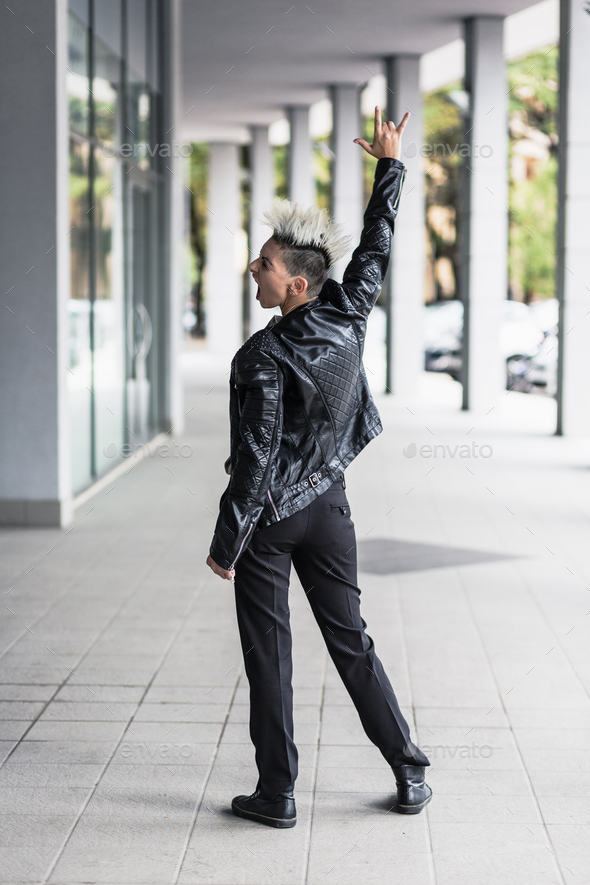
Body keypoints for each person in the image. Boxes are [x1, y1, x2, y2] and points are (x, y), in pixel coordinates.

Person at [207, 107, 432, 829]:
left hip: (272, 522)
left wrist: (227, 542)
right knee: (352, 641)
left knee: (271, 657)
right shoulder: (349, 313)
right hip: (329, 506)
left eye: (265, 264)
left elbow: (257, 457)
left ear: (296, 284)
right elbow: (378, 246)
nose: (255, 269)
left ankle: (278, 794)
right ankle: (407, 767)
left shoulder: (260, 356)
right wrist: (390, 167)